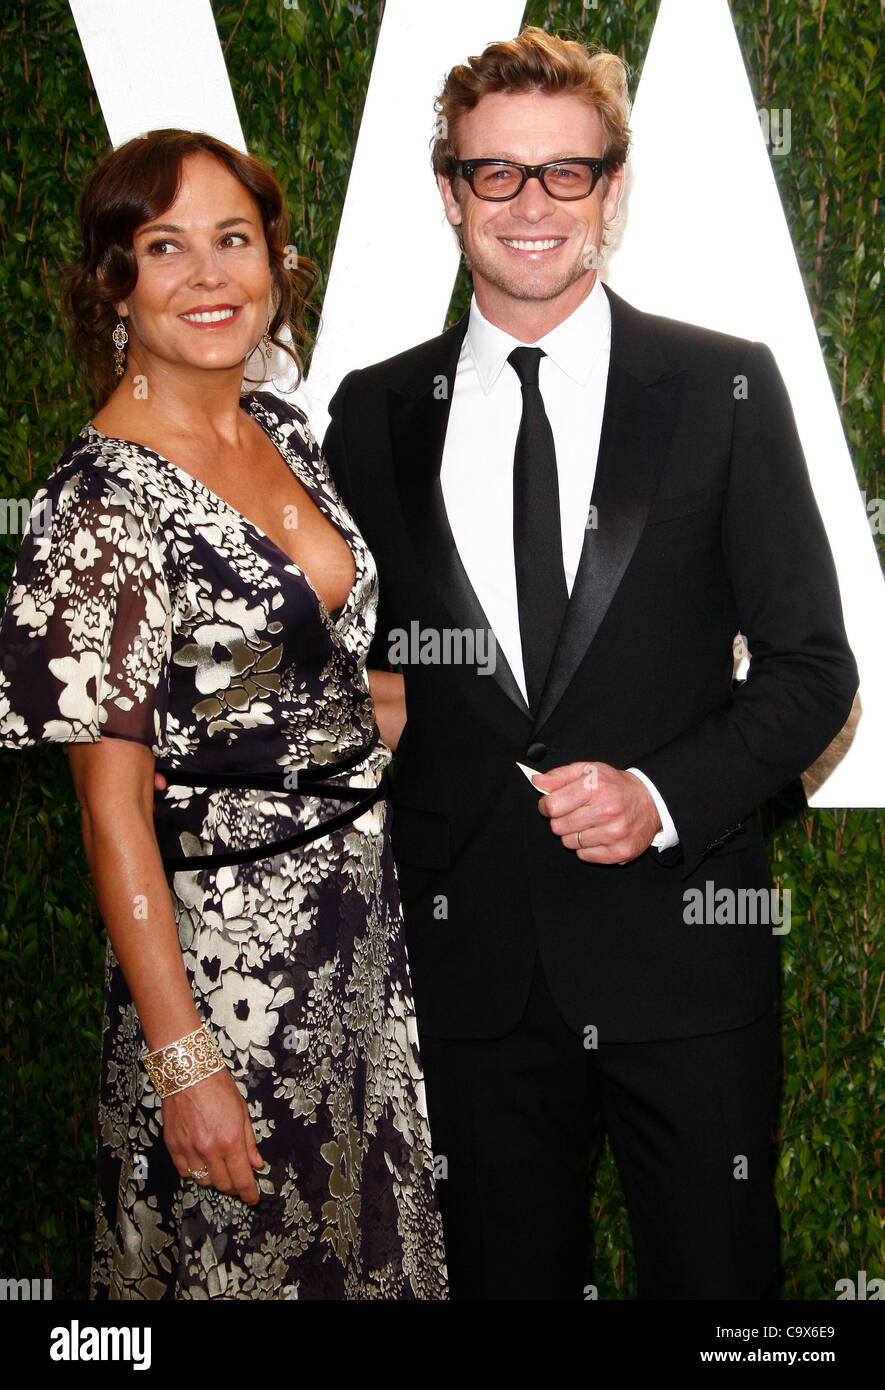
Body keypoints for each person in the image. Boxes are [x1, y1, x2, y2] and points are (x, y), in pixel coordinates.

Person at [322, 28, 858, 1300]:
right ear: (448, 192)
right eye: (496, 174)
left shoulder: (723, 385)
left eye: (567, 172)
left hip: (683, 961)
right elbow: (354, 679)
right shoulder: (370, 412)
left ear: (613, 190)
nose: (532, 206)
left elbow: (810, 667)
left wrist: (660, 796)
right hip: (471, 976)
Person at [0, 129, 447, 1300]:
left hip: (357, 938)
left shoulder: (288, 435)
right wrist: (183, 1059)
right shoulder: (98, 503)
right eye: (166, 247)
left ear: (275, 263)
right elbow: (112, 815)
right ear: (115, 285)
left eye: (234, 240)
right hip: (225, 965)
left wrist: (559, 706)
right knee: (244, 1268)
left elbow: (302, 695)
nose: (210, 276)